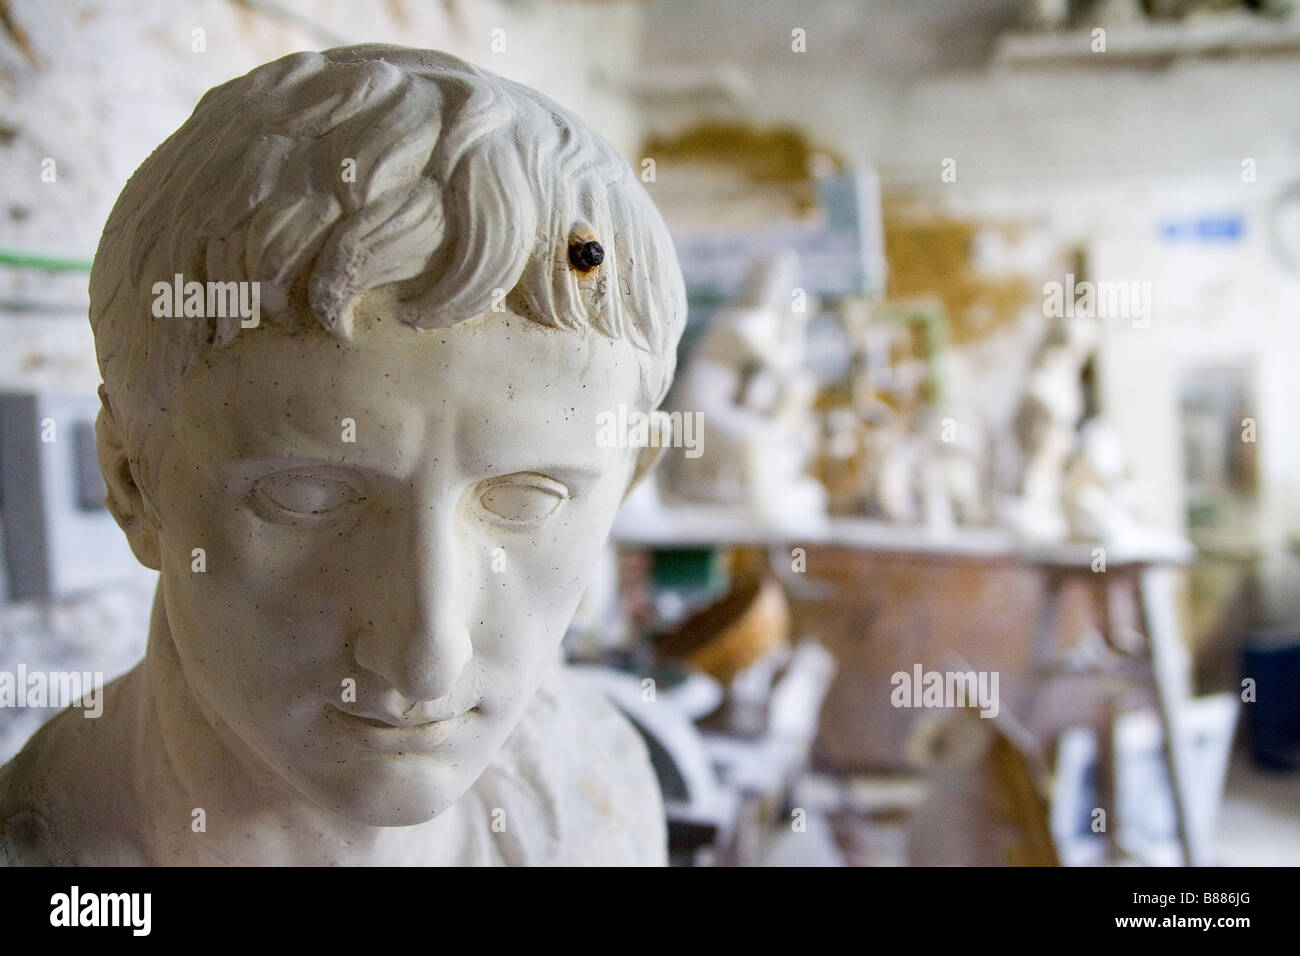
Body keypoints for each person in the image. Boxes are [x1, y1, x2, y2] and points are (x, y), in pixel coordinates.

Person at [0, 44, 686, 865]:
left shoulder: (598, 804)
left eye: (526, 499)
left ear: (626, 482)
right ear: (132, 484)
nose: (427, 655)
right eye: (306, 497)